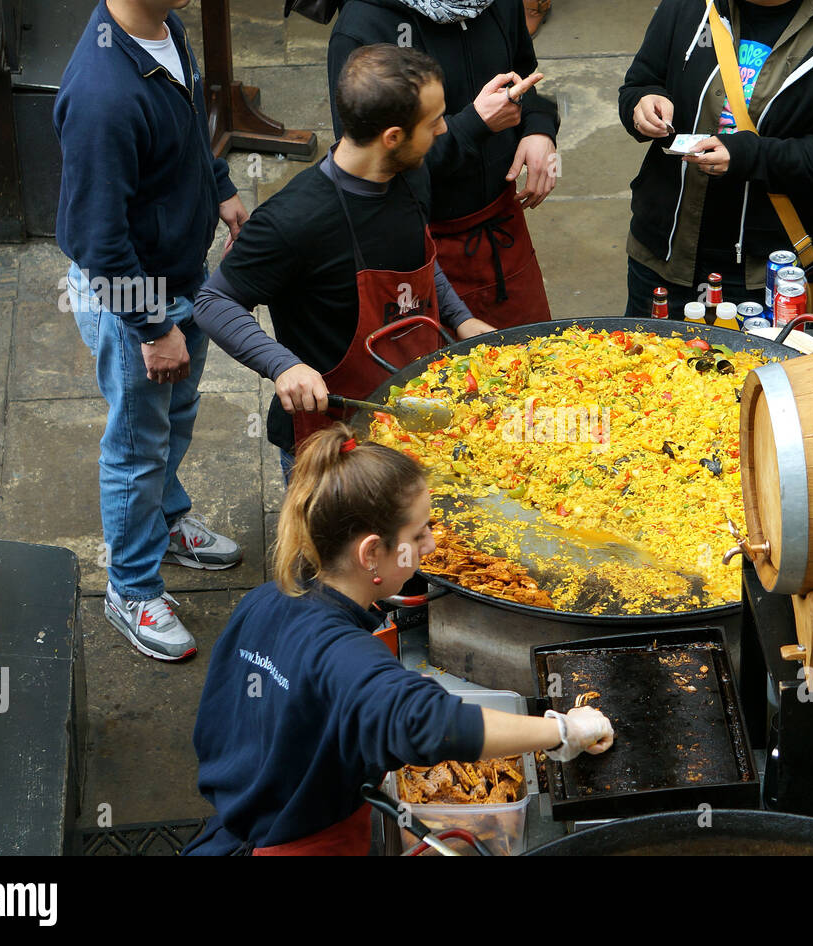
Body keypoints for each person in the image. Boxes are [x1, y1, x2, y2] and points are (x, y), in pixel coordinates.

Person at [184, 424, 614, 854]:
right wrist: (563, 730)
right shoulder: (344, 654)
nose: (431, 544)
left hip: (235, 816)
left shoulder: (265, 598)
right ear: (371, 553)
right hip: (304, 840)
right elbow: (427, 723)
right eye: (418, 533)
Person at [195, 45, 494, 474]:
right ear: (392, 137)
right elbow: (213, 302)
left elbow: (420, 260)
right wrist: (284, 366)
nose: (445, 130)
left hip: (415, 409)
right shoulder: (293, 220)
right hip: (334, 442)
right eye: (434, 122)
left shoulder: (411, 173)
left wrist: (461, 317)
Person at [55, 0, 249, 662]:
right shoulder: (103, 95)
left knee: (179, 410)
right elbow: (98, 239)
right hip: (133, 299)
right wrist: (152, 326)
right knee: (137, 446)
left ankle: (166, 521)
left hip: (177, 277)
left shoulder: (163, 29)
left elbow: (191, 127)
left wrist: (218, 182)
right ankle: (131, 589)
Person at [619, 0, 813, 320]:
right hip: (662, 258)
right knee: (640, 365)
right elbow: (640, 82)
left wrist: (746, 156)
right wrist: (641, 105)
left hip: (762, 272)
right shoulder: (689, 6)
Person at [327, 0, 559, 330]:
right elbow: (365, 168)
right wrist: (474, 125)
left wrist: (539, 129)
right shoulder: (362, 26)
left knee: (540, 370)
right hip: (418, 249)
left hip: (503, 234)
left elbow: (523, 82)